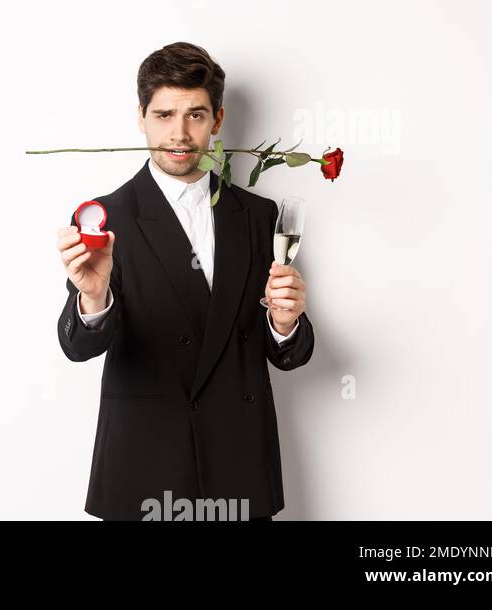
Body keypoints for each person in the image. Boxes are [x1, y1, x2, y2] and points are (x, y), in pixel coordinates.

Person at [55, 42, 315, 521]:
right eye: (164, 114)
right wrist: (93, 298)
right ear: (141, 117)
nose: (178, 133)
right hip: (143, 471)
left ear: (217, 120)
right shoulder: (104, 217)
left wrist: (285, 323)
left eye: (195, 115)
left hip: (239, 467)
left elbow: (289, 355)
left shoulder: (259, 216)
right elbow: (77, 347)